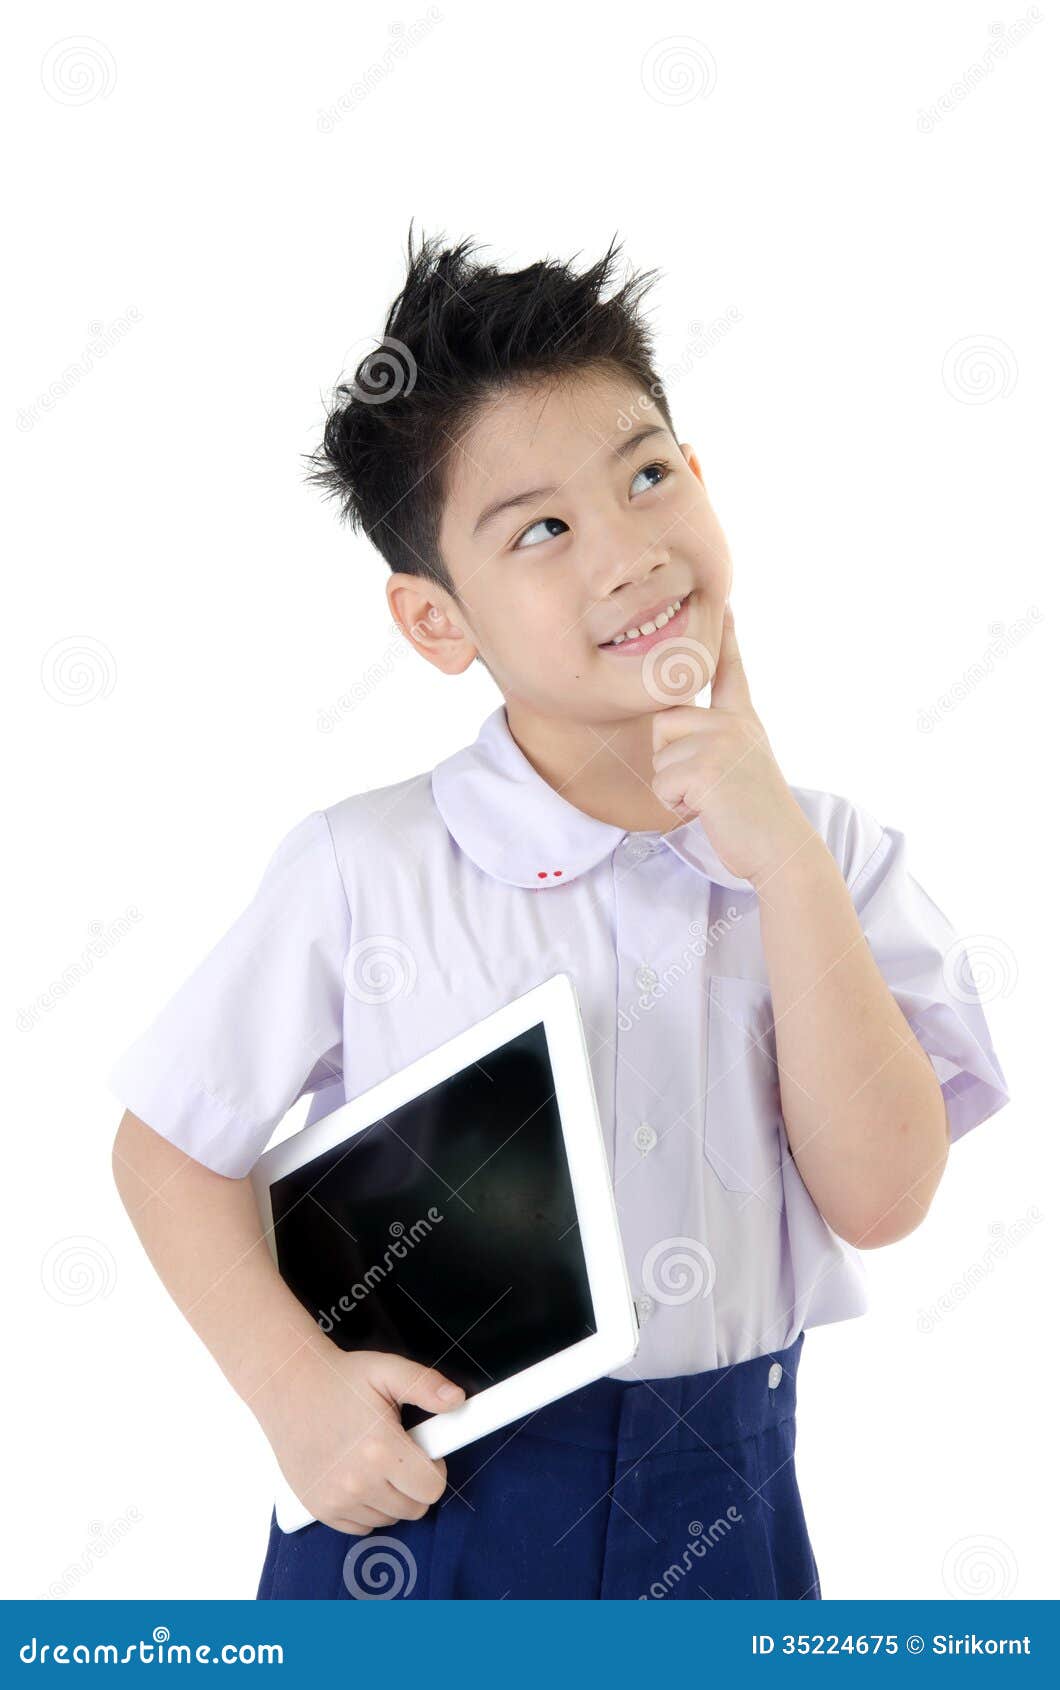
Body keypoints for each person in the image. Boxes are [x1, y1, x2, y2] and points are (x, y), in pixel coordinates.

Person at [108, 226, 1010, 1600]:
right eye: (542, 528)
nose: (629, 552)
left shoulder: (832, 852)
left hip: (729, 1501)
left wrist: (784, 868)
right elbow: (169, 1145)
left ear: (701, 479)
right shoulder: (370, 865)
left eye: (648, 475)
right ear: (436, 621)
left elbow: (882, 1195)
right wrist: (294, 1391)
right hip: (437, 1514)